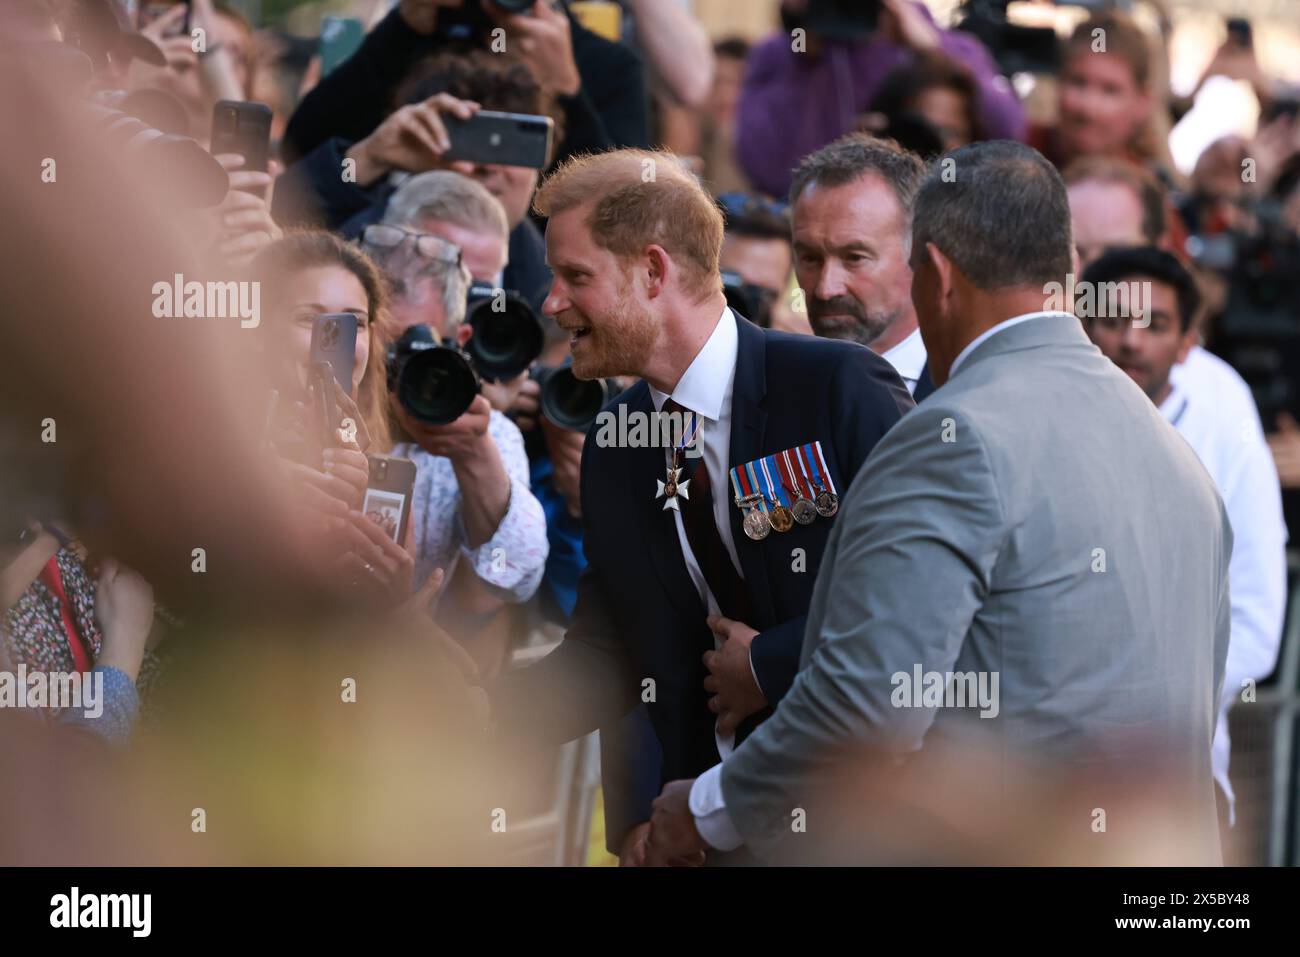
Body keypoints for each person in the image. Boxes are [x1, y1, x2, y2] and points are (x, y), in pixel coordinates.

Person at [646, 141, 1231, 866]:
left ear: (938, 276)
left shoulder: (954, 440)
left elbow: (861, 710)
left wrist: (704, 810)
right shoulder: (1175, 454)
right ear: (1068, 268)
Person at [493, 148, 913, 864]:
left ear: (652, 271)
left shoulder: (836, 386)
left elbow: (915, 597)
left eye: (575, 277)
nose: (552, 303)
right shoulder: (617, 440)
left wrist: (771, 664)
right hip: (706, 836)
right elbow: (611, 648)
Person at [1081, 245, 1287, 829]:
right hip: (1034, 772)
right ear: (1082, 325)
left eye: (1155, 325)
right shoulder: (1033, 408)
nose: (1130, 342)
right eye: (1113, 320)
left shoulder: (1225, 407)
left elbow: (1256, 616)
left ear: (1188, 341)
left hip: (1178, 773)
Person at [272, 48, 554, 313]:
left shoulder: (554, 278)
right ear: (422, 142)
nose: (488, 166)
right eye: (472, 141)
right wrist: (371, 155)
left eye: (511, 146)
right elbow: (278, 221)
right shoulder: (359, 240)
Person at [736, 0, 1023, 198]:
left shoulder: (951, 46)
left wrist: (935, 48)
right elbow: (764, 167)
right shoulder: (783, 54)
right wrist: (799, 43)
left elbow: (1009, 134)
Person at [790, 133, 933, 398]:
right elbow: (686, 437)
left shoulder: (974, 387)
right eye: (810, 258)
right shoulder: (774, 383)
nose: (826, 289)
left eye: (854, 258)